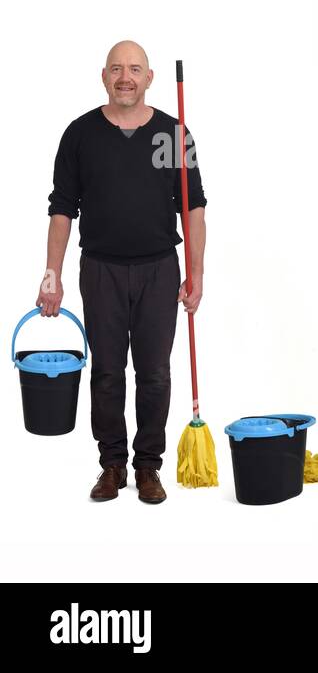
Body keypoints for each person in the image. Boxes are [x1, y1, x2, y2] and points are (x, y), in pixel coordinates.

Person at [43, 40, 208, 504]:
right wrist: (50, 273)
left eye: (135, 68)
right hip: (101, 269)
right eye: (117, 68)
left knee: (154, 372)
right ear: (103, 76)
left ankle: (148, 466)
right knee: (108, 373)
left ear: (150, 77)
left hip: (159, 270)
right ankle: (112, 464)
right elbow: (61, 210)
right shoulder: (79, 134)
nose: (125, 77)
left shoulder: (174, 135)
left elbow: (193, 207)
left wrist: (195, 273)